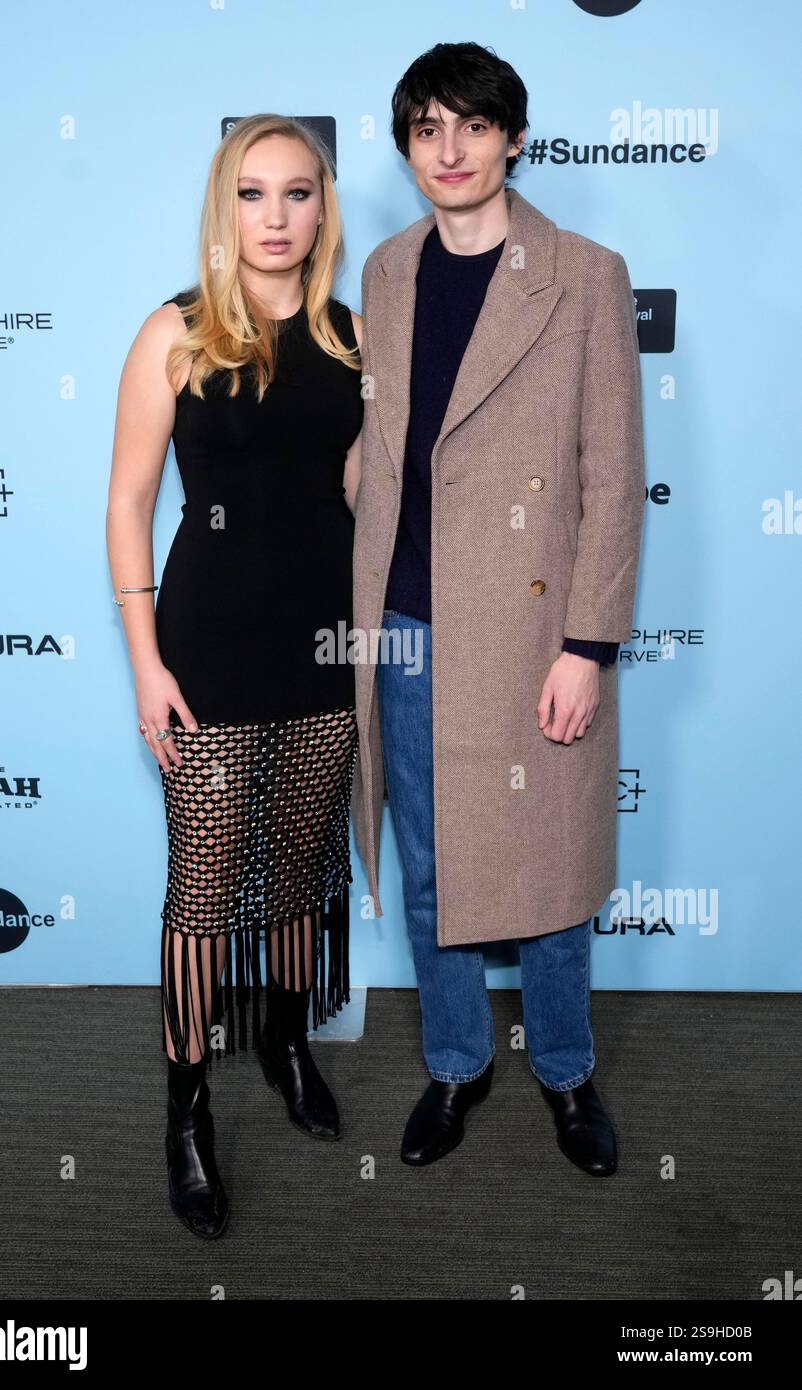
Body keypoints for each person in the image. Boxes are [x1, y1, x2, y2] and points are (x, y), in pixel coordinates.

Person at [351, 42, 645, 1174]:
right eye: (427, 129)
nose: (450, 150)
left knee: (550, 869)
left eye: (472, 125)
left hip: (529, 633)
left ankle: (566, 1074)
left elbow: (612, 474)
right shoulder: (383, 271)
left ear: (511, 137)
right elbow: (381, 448)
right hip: (410, 621)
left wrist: (586, 643)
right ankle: (455, 1058)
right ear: (408, 148)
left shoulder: (582, 272)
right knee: (429, 863)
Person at [106, 114, 364, 1238]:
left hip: (324, 647)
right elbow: (124, 505)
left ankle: (285, 1039)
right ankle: (186, 1109)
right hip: (205, 652)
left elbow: (362, 492)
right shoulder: (174, 329)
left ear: (323, 208)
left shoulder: (354, 337)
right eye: (252, 194)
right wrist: (144, 664)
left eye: (297, 193)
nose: (275, 217)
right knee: (206, 896)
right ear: (225, 207)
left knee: (303, 868)